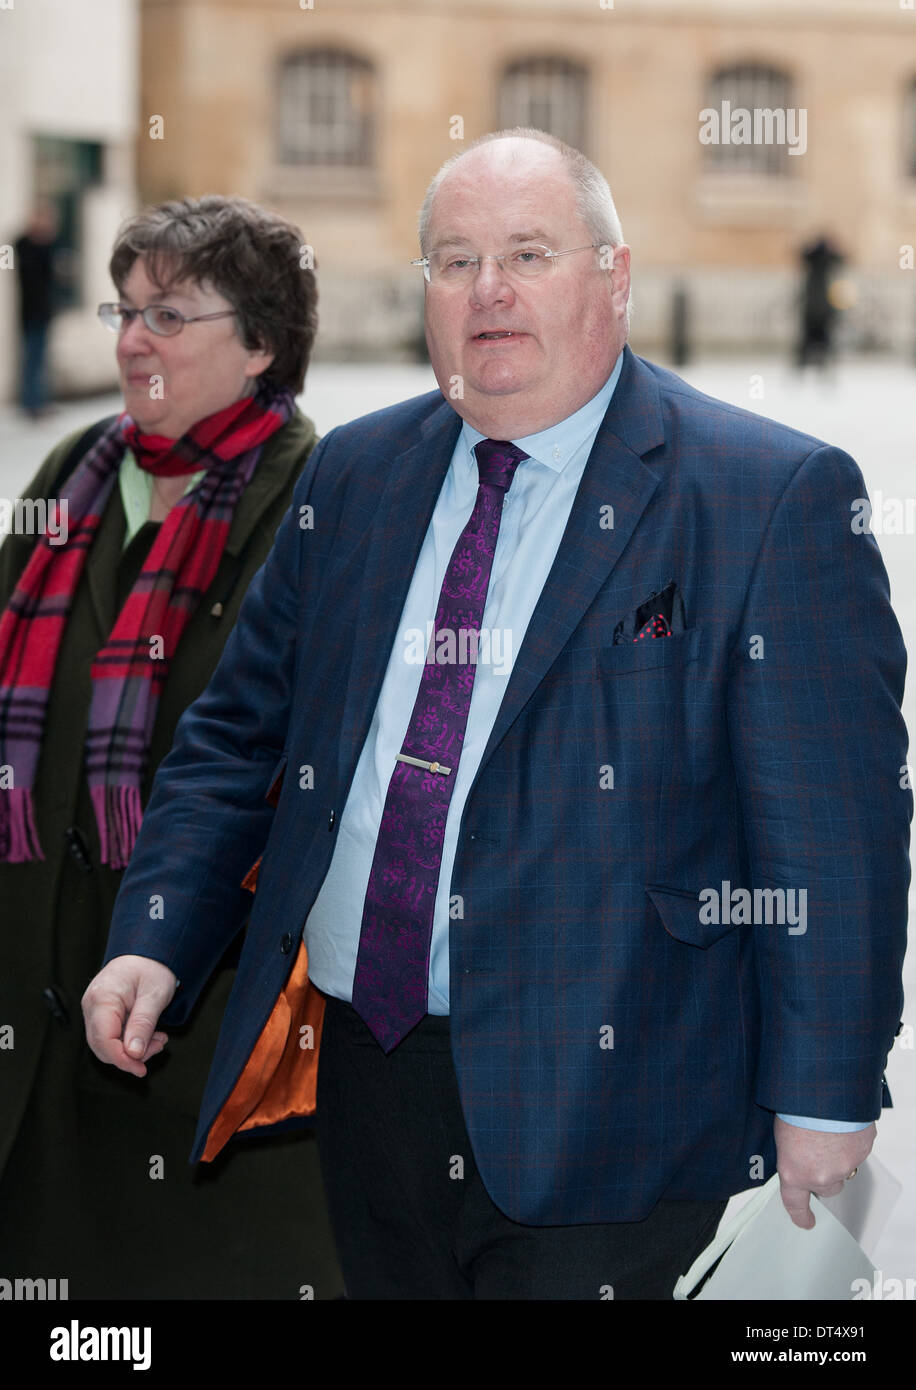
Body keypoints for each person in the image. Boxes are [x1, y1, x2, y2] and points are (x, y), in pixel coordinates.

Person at [83, 131, 910, 1300]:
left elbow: (835, 830)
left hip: (619, 1100)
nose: (490, 292)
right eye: (455, 259)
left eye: (529, 252)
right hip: (371, 1075)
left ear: (615, 280)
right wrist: (156, 932)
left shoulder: (767, 496)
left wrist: (825, 1088)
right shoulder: (358, 477)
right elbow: (237, 733)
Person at [0, 194, 342, 1299]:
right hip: (39, 987)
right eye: (124, 309)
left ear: (258, 343)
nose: (131, 339)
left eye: (170, 315)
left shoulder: (320, 495)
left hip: (204, 998)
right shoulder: (71, 474)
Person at [14, 203, 59, 419]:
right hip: (29, 313)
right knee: (31, 359)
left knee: (41, 359)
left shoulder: (47, 246)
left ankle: (39, 401)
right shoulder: (23, 245)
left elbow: (53, 275)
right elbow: (13, 266)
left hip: (43, 313)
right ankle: (31, 403)